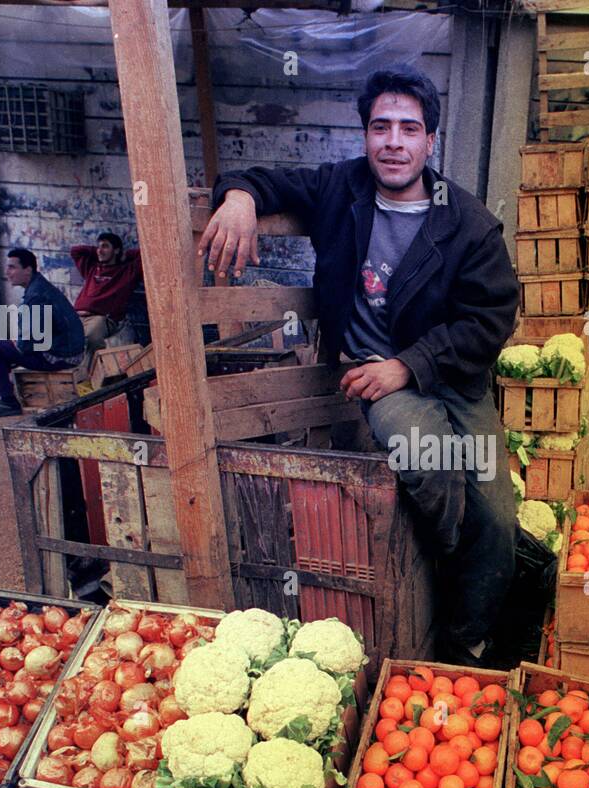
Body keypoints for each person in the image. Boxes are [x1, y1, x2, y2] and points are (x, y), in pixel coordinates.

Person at [198, 65, 519, 666]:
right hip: (376, 379)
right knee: (427, 457)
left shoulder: (468, 222)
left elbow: (491, 320)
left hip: (453, 377)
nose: (393, 141)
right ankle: (447, 569)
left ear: (430, 142)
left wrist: (411, 362)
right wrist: (239, 197)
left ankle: (469, 637)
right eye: (380, 127)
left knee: (498, 517)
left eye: (409, 129)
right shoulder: (340, 189)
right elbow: (262, 177)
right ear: (365, 135)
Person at [0, 248, 87, 418]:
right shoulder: (40, 287)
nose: (8, 272)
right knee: (5, 344)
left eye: (12, 267)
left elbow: (26, 346)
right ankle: (9, 390)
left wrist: (16, 343)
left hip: (59, 357)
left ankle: (8, 401)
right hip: (68, 351)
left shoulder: (36, 296)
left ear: (28, 270)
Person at [71, 232, 143, 351]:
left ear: (116, 250)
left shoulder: (127, 272)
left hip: (101, 319)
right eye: (98, 247)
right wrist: (98, 251)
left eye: (105, 246)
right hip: (76, 316)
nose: (100, 250)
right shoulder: (92, 268)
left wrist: (126, 254)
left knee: (87, 340)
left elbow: (146, 255)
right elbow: (75, 251)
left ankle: (87, 369)